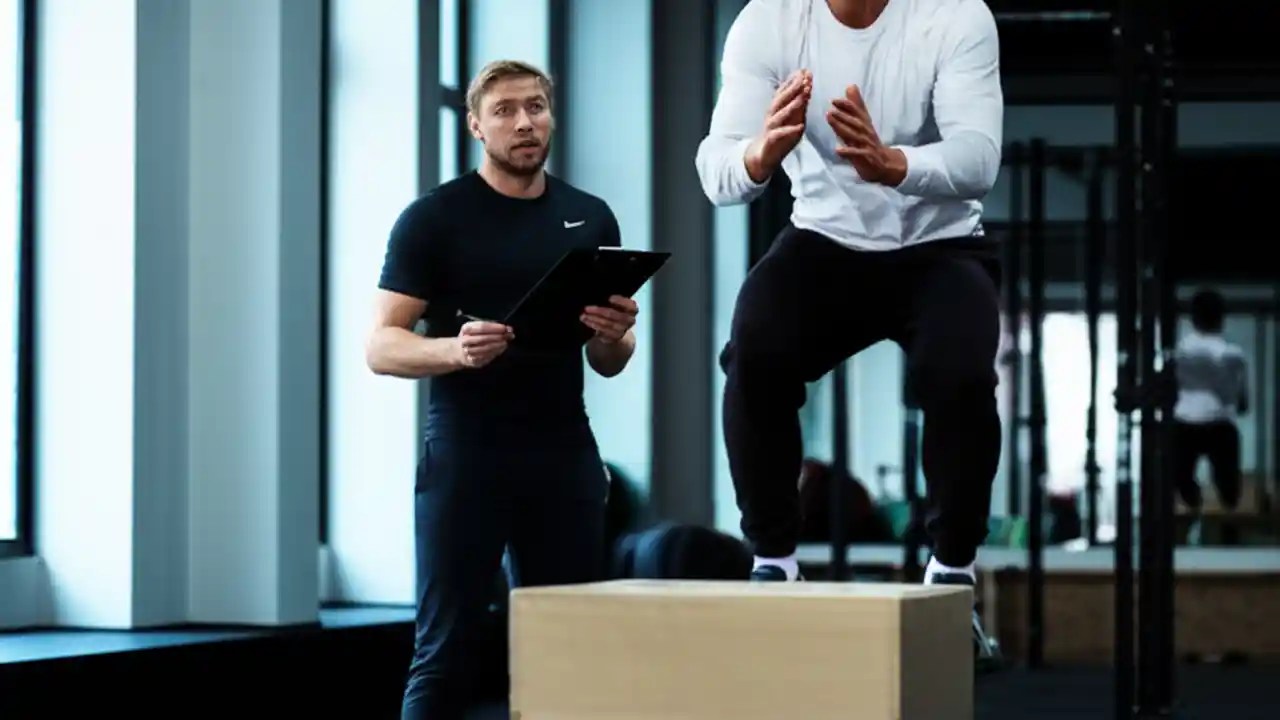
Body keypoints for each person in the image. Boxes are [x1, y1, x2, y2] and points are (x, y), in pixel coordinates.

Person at [695, 0, 1003, 659]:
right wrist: (758, 153)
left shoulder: (955, 16)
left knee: (960, 371)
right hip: (825, 240)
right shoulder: (769, 22)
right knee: (754, 350)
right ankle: (775, 563)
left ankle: (952, 574)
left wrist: (895, 164)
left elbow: (979, 158)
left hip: (940, 243)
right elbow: (717, 171)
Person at [367, 59, 640, 719]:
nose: (525, 122)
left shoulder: (590, 217)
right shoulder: (434, 218)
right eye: (506, 111)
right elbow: (381, 345)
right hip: (467, 454)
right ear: (475, 126)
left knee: (566, 648)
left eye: (536, 108)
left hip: (565, 451)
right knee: (447, 650)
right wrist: (453, 351)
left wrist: (613, 332)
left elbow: (610, 360)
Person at [1173, 289, 1249, 543]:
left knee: (1182, 481)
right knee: (1229, 490)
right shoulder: (1233, 355)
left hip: (1185, 425)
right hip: (1219, 426)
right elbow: (1242, 403)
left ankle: (1192, 518)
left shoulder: (1179, 352)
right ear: (1221, 319)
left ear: (1192, 318)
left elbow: (1169, 392)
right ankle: (1226, 534)